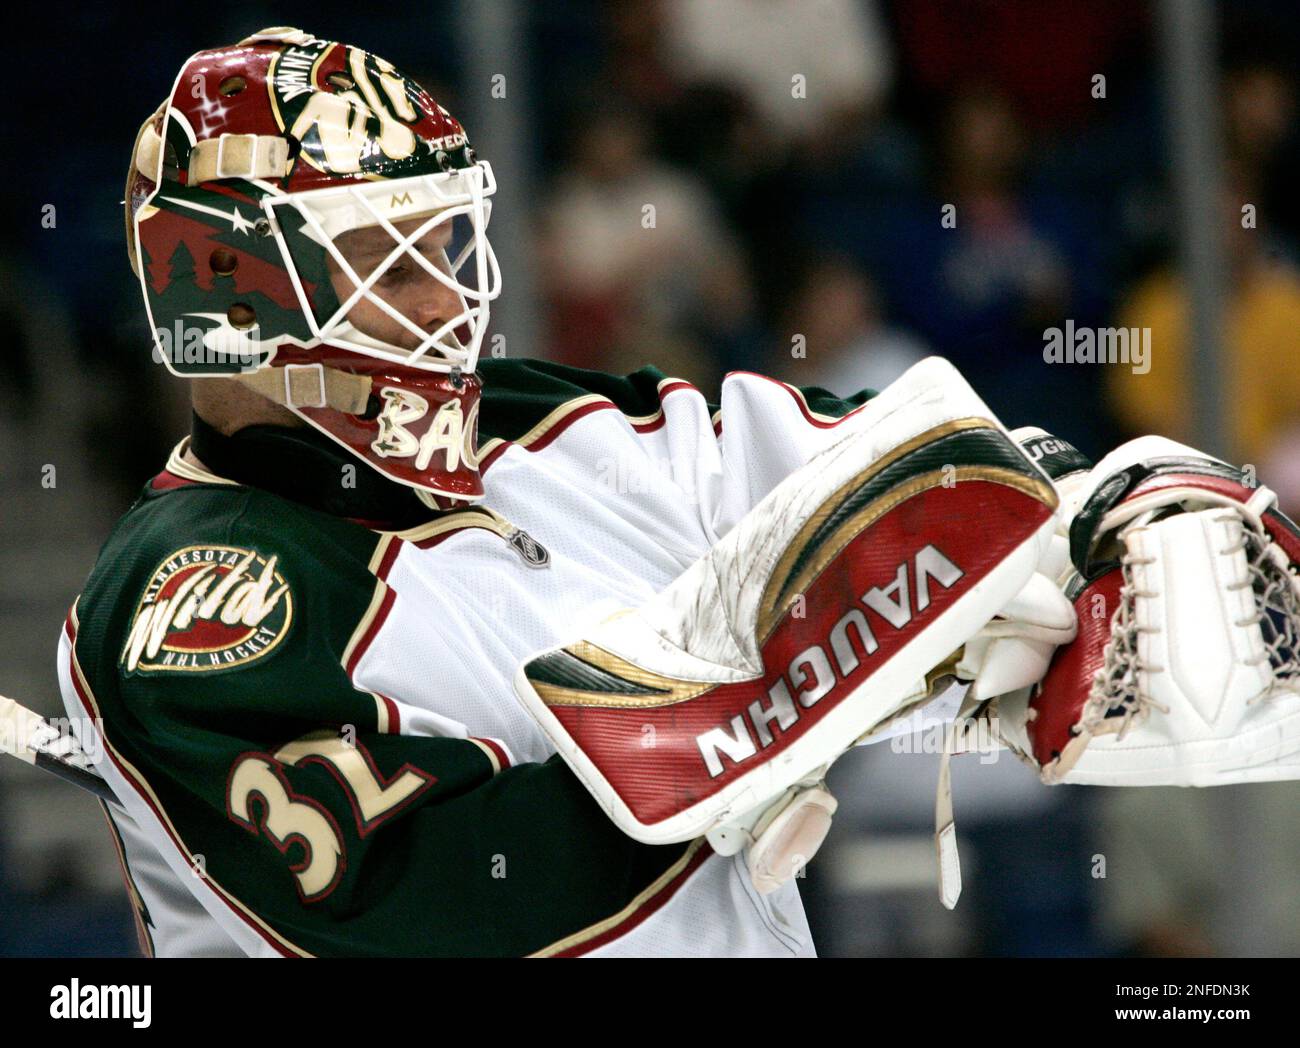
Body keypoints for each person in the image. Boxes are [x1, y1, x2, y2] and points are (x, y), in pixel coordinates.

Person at [58, 27, 1300, 959]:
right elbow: (449, 904)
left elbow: (884, 472)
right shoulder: (193, 602)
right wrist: (776, 702)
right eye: (383, 262)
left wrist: (1084, 506)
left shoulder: (545, 424)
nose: (449, 302)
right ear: (231, 289)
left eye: (440, 247)